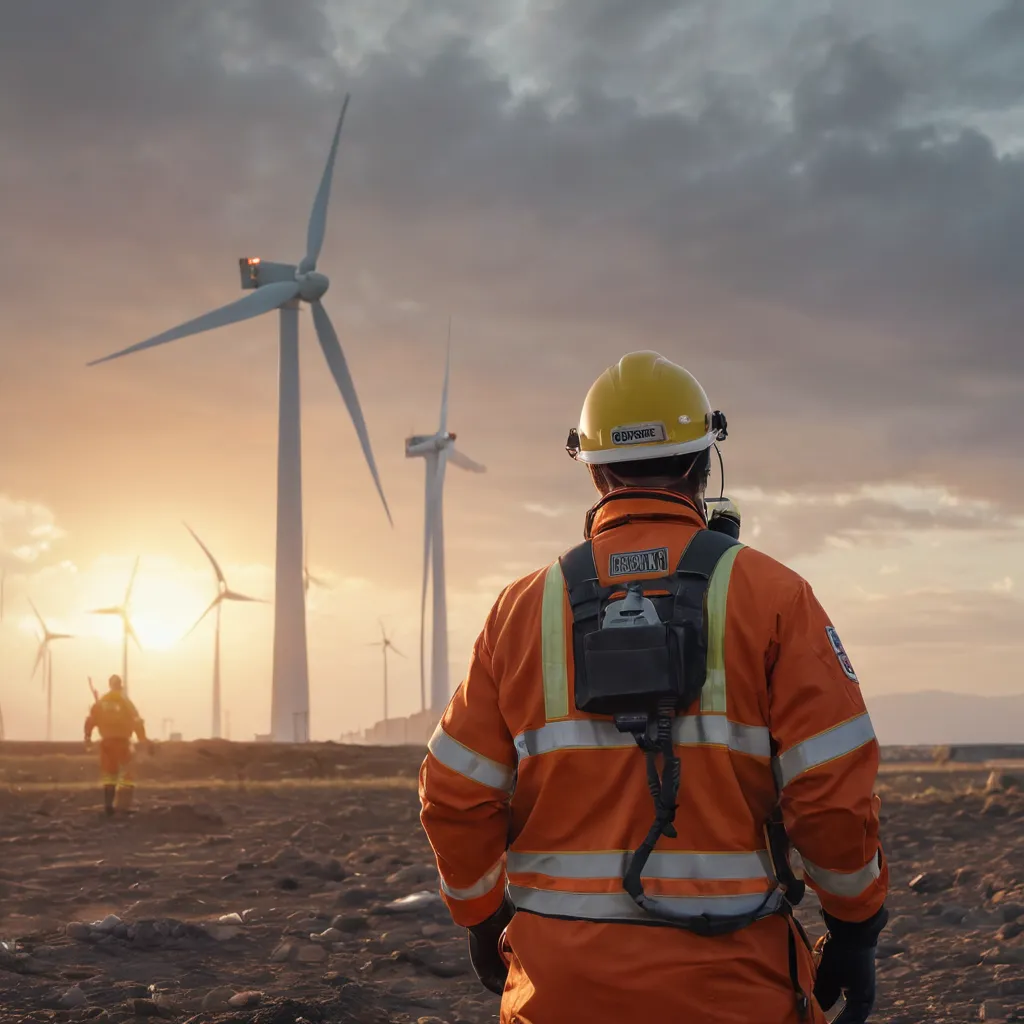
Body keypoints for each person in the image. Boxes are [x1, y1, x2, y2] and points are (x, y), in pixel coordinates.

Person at [419, 351, 888, 1024]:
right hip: (736, 989)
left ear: (595, 470)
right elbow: (832, 798)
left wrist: (480, 917)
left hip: (558, 991)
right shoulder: (777, 598)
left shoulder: (522, 609)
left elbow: (456, 795)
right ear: (702, 462)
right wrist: (855, 927)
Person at [84, 674, 150, 816]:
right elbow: (136, 720)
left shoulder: (101, 702)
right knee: (128, 774)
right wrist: (143, 739)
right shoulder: (125, 702)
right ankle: (123, 806)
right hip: (123, 743)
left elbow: (90, 721)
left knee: (109, 775)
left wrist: (87, 738)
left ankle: (108, 805)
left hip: (106, 743)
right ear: (120, 685)